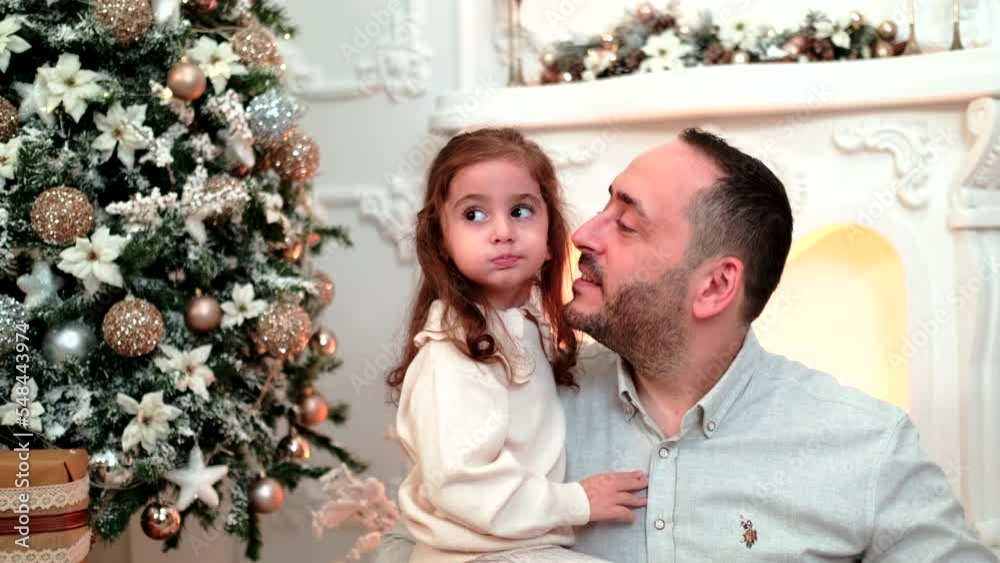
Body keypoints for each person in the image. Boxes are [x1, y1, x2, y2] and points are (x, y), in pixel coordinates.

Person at [375, 128, 999, 562]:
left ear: (715, 286)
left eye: (626, 223)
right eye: (602, 206)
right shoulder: (517, 387)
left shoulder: (866, 448)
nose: (584, 235)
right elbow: (424, 538)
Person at [385, 128, 649, 563]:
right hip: (475, 552)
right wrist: (576, 501)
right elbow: (459, 479)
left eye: (521, 210)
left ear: (550, 239)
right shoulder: (453, 353)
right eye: (474, 215)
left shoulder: (524, 324)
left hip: (517, 544)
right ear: (442, 242)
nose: (502, 231)